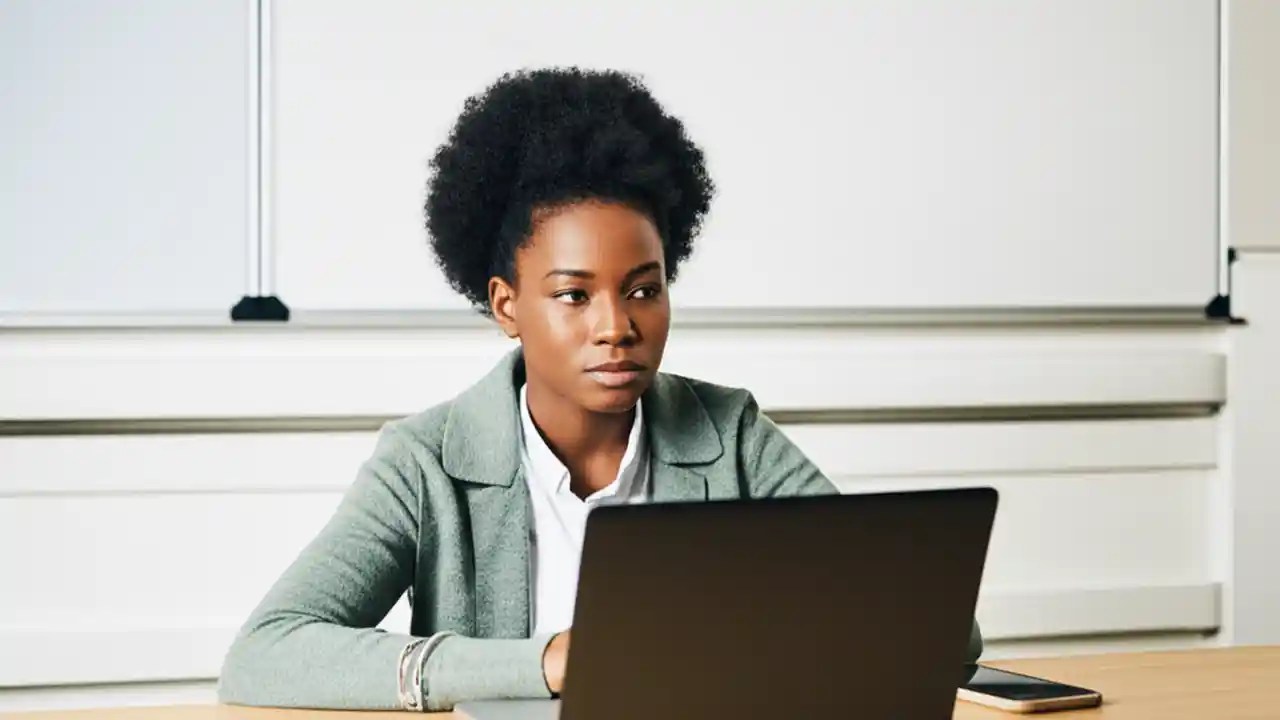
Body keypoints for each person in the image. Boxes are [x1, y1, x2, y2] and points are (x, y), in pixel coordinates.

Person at [216, 67, 982, 712]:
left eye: (643, 290)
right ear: (506, 305)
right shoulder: (426, 462)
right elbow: (265, 652)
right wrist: (545, 662)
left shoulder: (731, 434)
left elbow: (936, 624)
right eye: (574, 296)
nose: (617, 326)